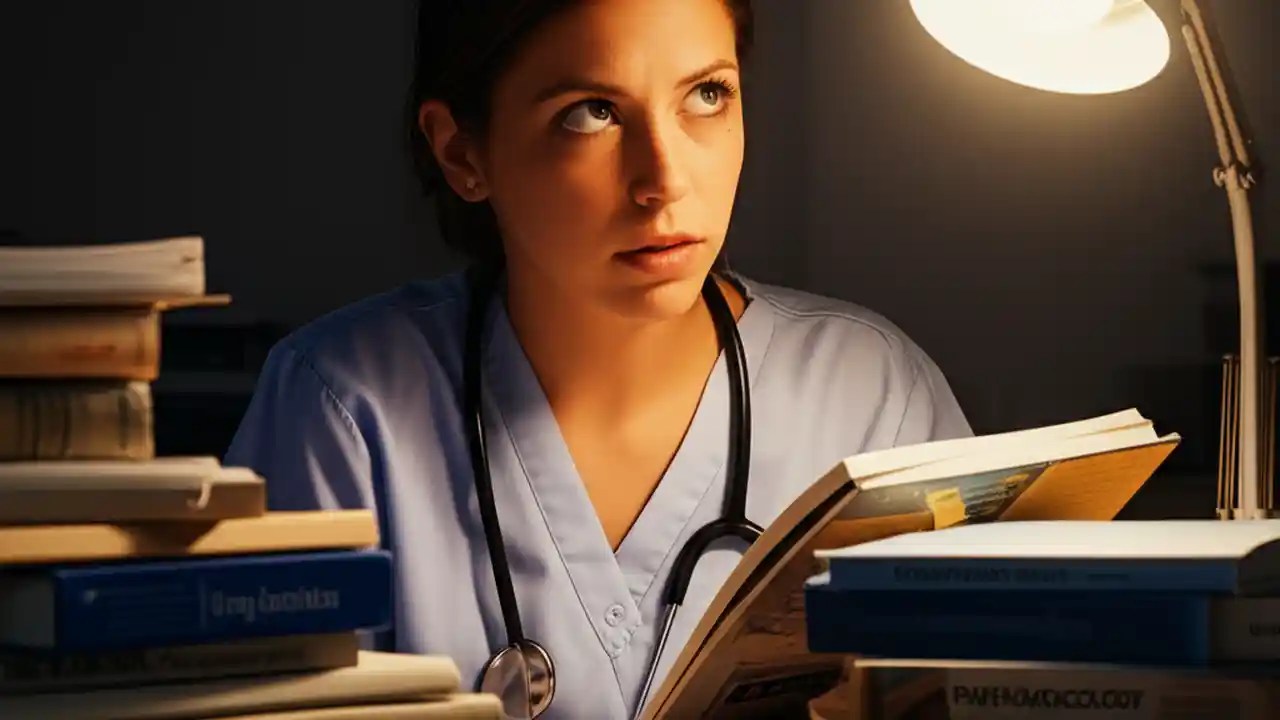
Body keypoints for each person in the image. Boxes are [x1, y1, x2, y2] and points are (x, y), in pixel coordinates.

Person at [223, 0, 972, 717]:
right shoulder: (340, 412)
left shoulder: (874, 398)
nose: (665, 181)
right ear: (461, 150)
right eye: (592, 113)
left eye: (708, 94)